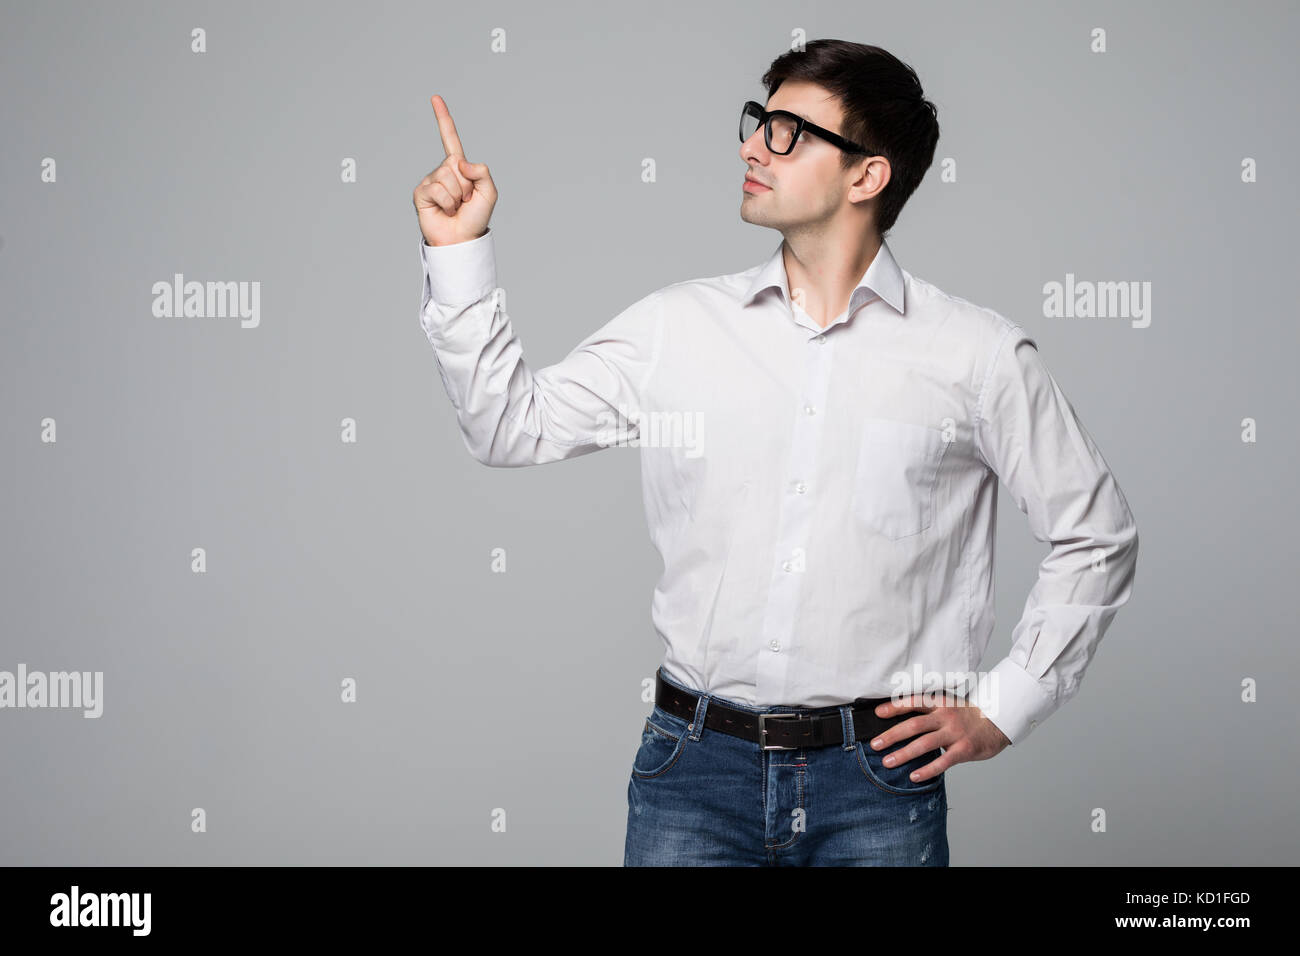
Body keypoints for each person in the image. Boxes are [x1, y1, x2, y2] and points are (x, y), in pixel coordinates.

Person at [411, 39, 1138, 866]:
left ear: (868, 176)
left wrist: (1007, 705)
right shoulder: (678, 328)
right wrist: (458, 253)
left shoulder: (975, 356)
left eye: (789, 131)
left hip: (878, 784)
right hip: (692, 772)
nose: (753, 145)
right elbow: (510, 427)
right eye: (758, 121)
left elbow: (1097, 535)